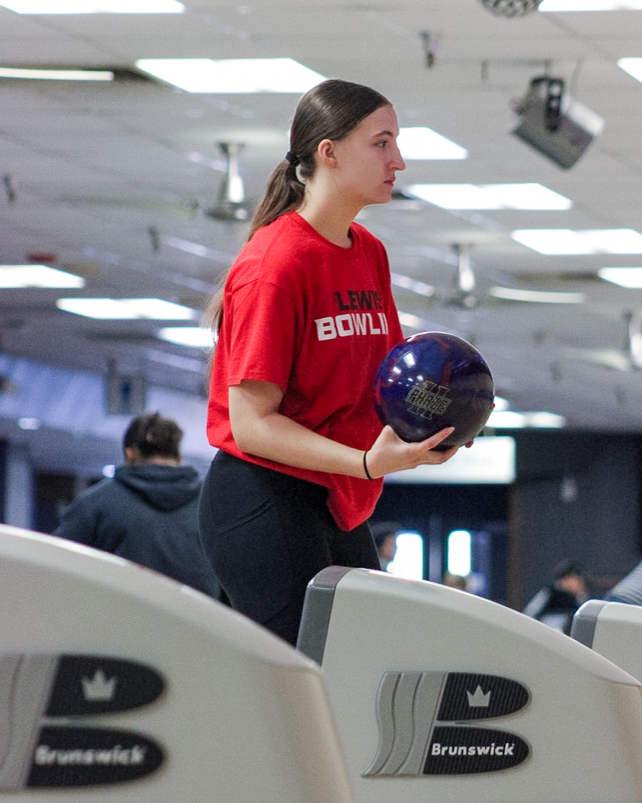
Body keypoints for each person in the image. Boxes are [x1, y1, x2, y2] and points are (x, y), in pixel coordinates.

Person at [199, 79, 461, 646]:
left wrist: (443, 416)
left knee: (358, 667)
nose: (399, 160)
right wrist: (366, 462)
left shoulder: (367, 251)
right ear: (329, 152)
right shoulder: (276, 263)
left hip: (336, 492)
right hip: (263, 494)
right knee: (311, 682)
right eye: (382, 143)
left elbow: (386, 377)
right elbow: (251, 425)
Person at [54, 412, 221, 599]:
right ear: (179, 456)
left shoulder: (93, 504)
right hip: (200, 623)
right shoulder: (213, 506)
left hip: (119, 622)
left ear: (130, 454)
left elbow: (59, 572)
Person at [522, 559, 589, 635]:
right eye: (576, 579)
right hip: (547, 631)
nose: (579, 583)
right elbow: (530, 613)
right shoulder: (550, 592)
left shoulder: (578, 598)